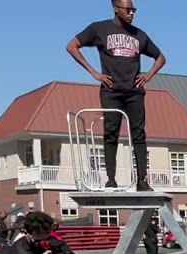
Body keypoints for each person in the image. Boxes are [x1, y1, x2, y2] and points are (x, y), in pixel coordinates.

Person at [67, 0, 165, 191]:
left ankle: (142, 180)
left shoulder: (139, 35)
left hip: (134, 92)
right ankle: (110, 178)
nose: (131, 13)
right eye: (127, 9)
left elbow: (161, 58)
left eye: (133, 10)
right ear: (116, 9)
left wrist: (148, 75)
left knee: (138, 134)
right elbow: (72, 46)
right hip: (111, 90)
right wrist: (94, 72)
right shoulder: (99, 29)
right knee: (111, 132)